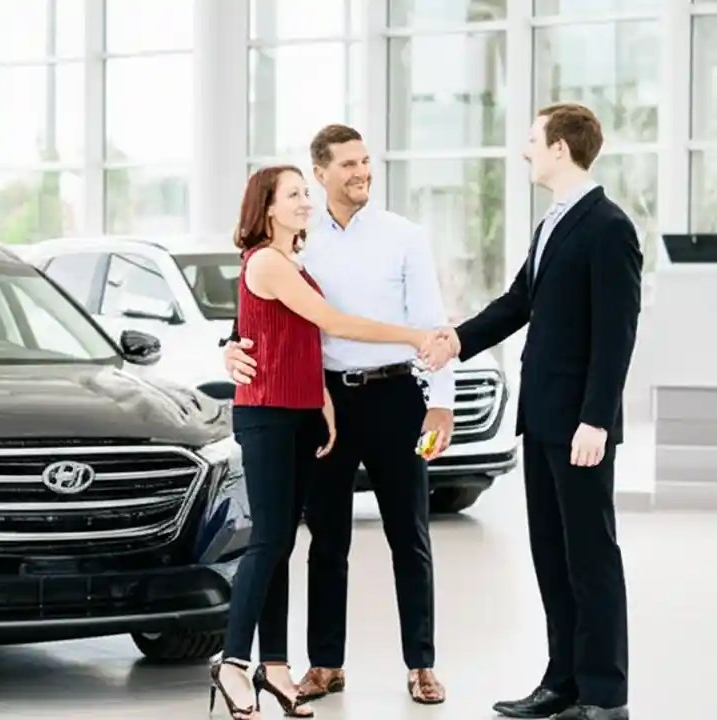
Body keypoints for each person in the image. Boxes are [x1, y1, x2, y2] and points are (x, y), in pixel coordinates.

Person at [223, 124, 454, 705]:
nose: (360, 172)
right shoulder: (299, 240)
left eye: (365, 161)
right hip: (322, 404)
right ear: (320, 171)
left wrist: (441, 403)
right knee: (326, 540)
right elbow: (267, 318)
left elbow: (433, 318)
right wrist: (228, 349)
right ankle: (325, 664)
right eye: (347, 164)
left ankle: (420, 664)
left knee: (411, 535)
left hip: (399, 398)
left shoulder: (404, 235)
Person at [426, 103, 638, 720]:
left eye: (531, 139)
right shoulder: (552, 222)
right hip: (542, 416)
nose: (524, 150)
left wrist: (596, 420)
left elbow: (615, 334)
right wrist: (456, 340)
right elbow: (519, 300)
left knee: (591, 557)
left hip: (579, 425)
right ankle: (562, 683)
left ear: (560, 149)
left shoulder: (608, 226)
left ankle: (605, 695)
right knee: (551, 552)